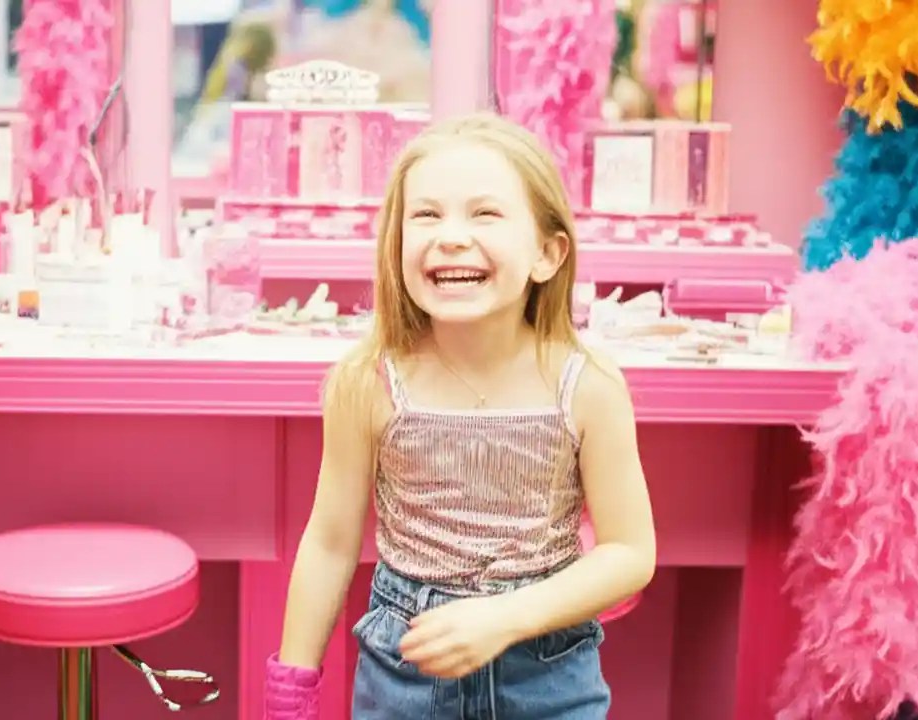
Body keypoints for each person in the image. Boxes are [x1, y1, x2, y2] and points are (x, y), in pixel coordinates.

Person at [263, 113, 657, 719]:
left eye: (485, 214)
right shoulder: (364, 383)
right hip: (405, 680)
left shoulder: (589, 386)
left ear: (547, 254)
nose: (450, 236)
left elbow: (630, 553)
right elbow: (329, 543)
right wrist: (290, 691)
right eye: (426, 216)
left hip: (550, 679)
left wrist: (504, 617)